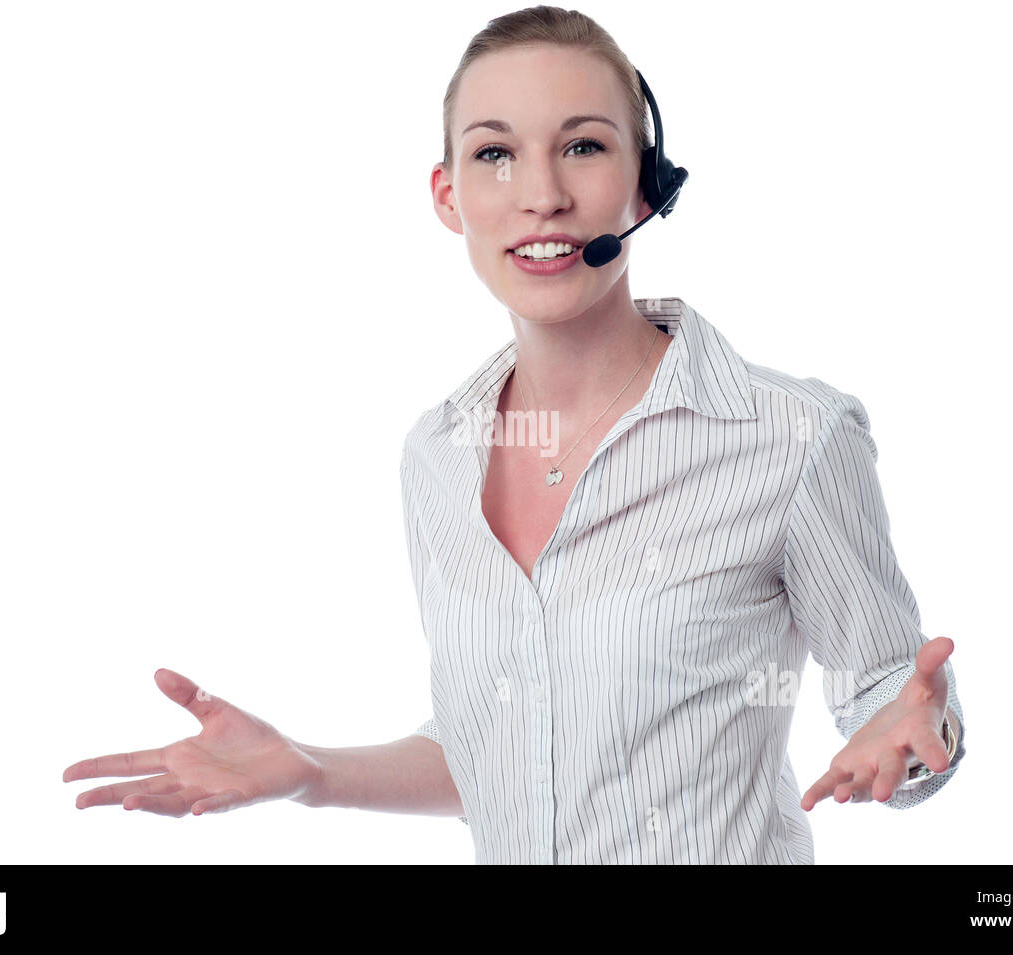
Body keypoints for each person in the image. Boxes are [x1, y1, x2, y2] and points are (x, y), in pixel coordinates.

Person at [64, 5, 965, 863]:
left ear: (646, 184)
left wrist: (921, 735)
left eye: (582, 146)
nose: (541, 195)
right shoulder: (436, 454)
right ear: (448, 196)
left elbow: (895, 708)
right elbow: (493, 750)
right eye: (495, 154)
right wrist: (309, 772)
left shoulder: (792, 438)